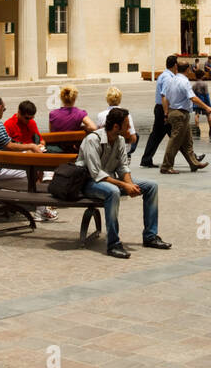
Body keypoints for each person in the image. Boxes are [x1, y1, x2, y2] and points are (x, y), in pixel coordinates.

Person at [73, 108, 170, 259]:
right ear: (116, 127)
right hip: (89, 183)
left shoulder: (119, 140)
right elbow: (96, 174)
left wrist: (130, 184)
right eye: (127, 125)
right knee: (113, 191)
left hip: (111, 180)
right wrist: (124, 186)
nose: (130, 128)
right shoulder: (93, 140)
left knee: (151, 186)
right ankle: (113, 244)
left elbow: (123, 166)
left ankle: (150, 236)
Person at [0, 95, 55, 220]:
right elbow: (8, 145)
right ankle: (41, 210)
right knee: (36, 170)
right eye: (4, 110)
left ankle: (38, 204)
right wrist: (31, 146)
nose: (3, 113)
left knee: (34, 167)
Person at [161, 60, 211, 173]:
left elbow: (165, 97)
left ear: (177, 68)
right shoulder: (184, 81)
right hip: (180, 114)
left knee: (188, 141)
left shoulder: (171, 80)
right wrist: (206, 107)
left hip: (173, 111)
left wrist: (166, 113)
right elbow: (193, 98)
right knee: (174, 141)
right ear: (188, 69)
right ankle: (166, 166)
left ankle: (194, 163)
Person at [140, 55, 178, 169]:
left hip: (160, 109)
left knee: (157, 136)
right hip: (163, 110)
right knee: (177, 135)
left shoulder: (163, 75)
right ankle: (193, 158)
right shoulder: (168, 78)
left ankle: (146, 159)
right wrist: (166, 114)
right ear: (175, 65)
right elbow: (164, 96)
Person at [96, 86, 138, 152]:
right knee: (136, 135)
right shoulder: (127, 115)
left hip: (105, 147)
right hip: (123, 148)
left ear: (107, 99)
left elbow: (98, 133)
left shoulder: (100, 115)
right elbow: (133, 138)